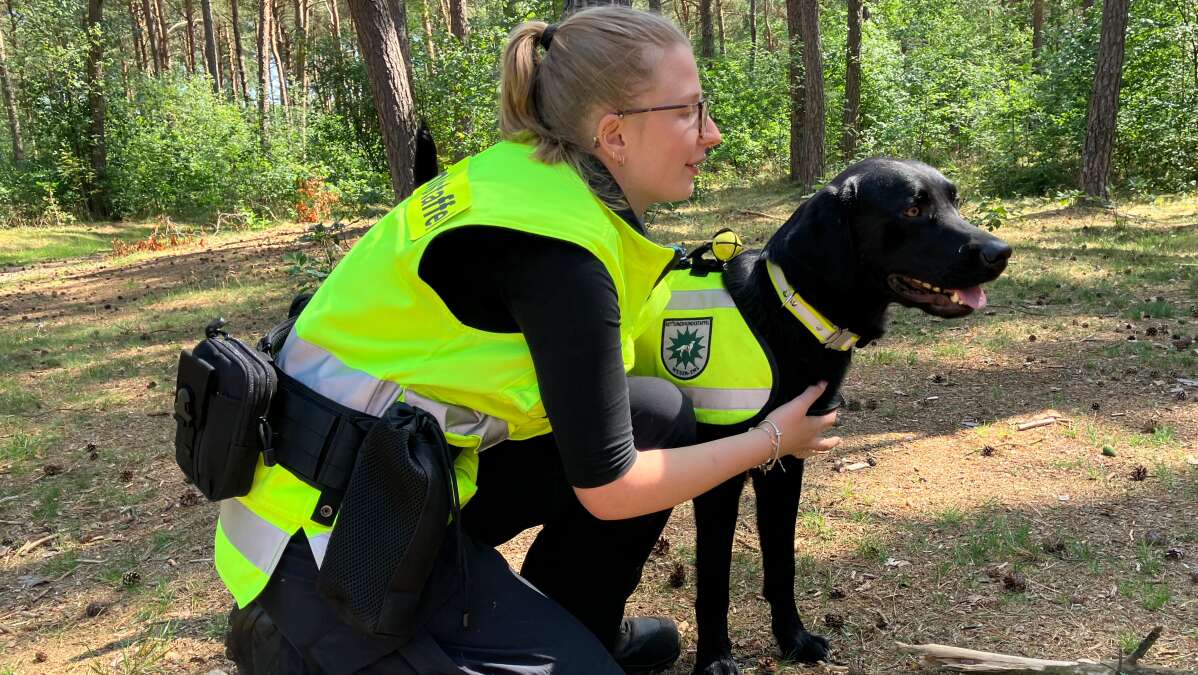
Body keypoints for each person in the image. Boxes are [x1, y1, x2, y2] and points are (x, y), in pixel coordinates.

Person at [219, 7, 840, 674]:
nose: (711, 133)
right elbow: (614, 487)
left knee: (656, 414)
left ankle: (577, 626)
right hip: (324, 547)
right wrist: (770, 439)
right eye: (689, 111)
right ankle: (297, 643)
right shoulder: (560, 250)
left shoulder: (535, 178)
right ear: (614, 134)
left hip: (392, 479)